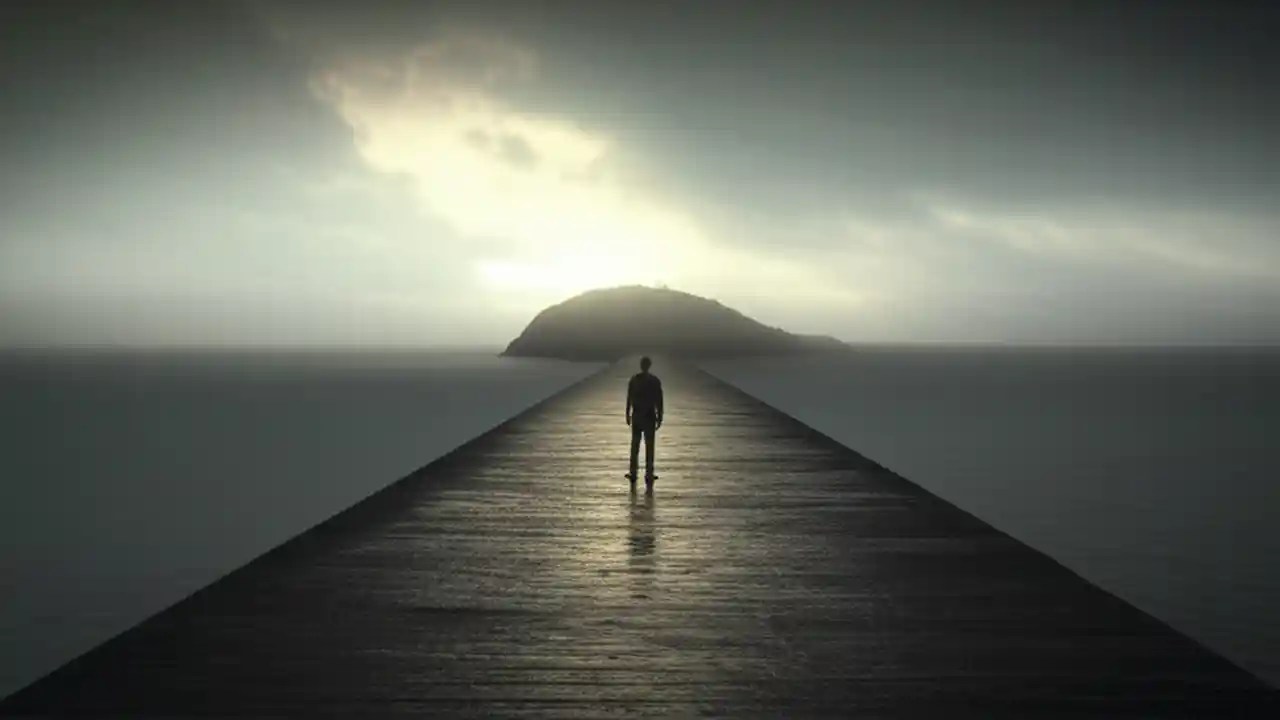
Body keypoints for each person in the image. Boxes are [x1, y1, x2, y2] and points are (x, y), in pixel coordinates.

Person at [625, 356, 664, 486]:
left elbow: (629, 398)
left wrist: (627, 413)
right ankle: (649, 473)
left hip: (637, 415)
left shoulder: (634, 380)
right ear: (649, 365)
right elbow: (659, 400)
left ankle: (633, 472)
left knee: (635, 446)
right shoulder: (655, 381)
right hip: (649, 416)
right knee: (649, 446)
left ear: (641, 365)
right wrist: (660, 415)